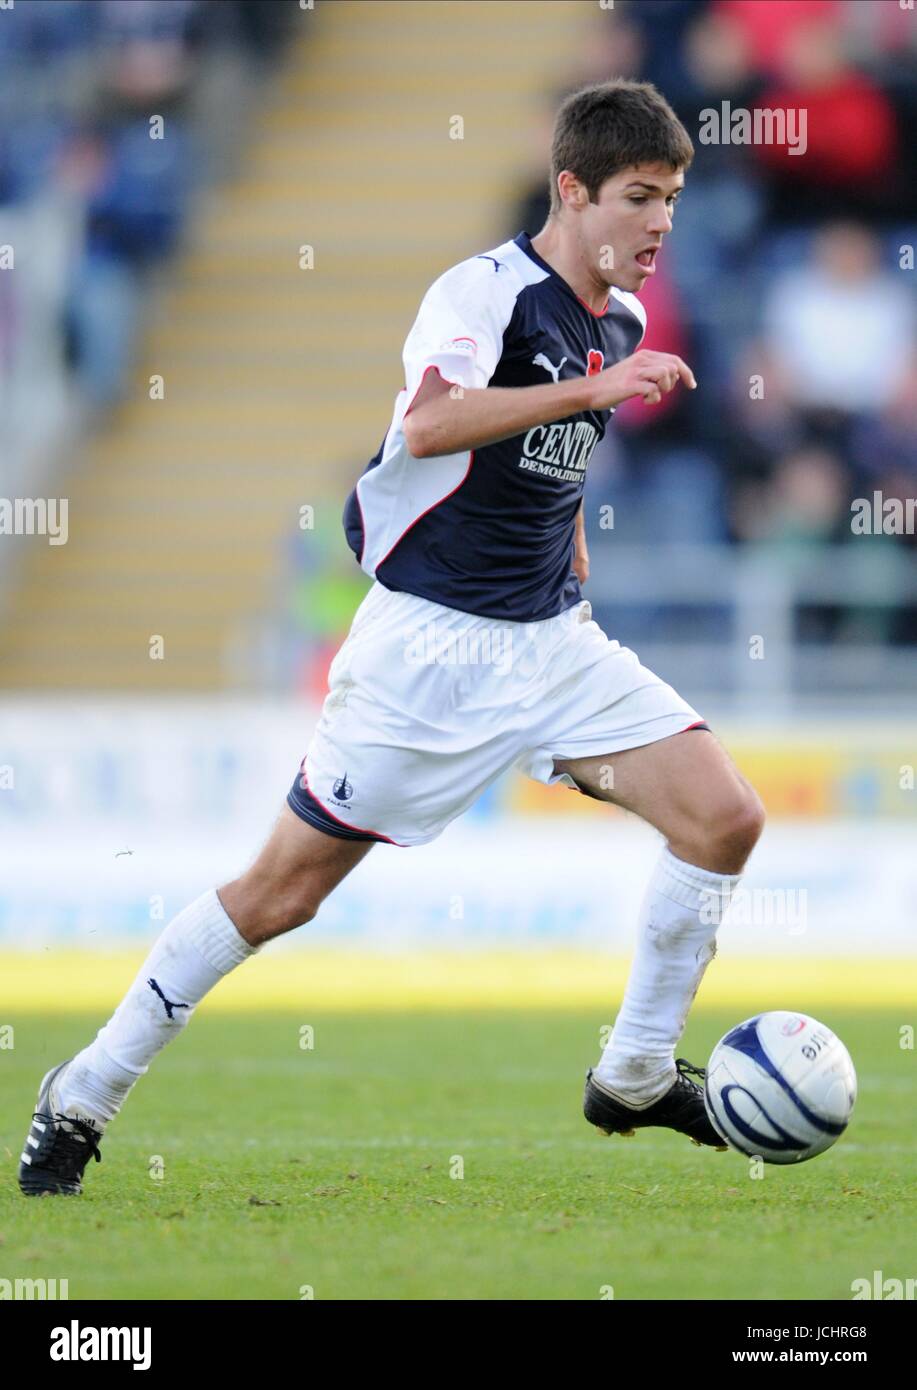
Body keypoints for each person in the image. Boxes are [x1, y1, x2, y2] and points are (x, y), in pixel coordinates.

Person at [19, 79, 764, 1197]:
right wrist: (597, 391)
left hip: (551, 646)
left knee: (723, 817)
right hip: (427, 657)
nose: (659, 224)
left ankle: (634, 1073)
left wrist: (565, 544)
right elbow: (427, 421)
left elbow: (528, 473)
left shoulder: (616, 319)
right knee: (279, 895)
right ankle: (81, 1091)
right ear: (571, 190)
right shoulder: (485, 291)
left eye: (670, 199)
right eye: (637, 198)